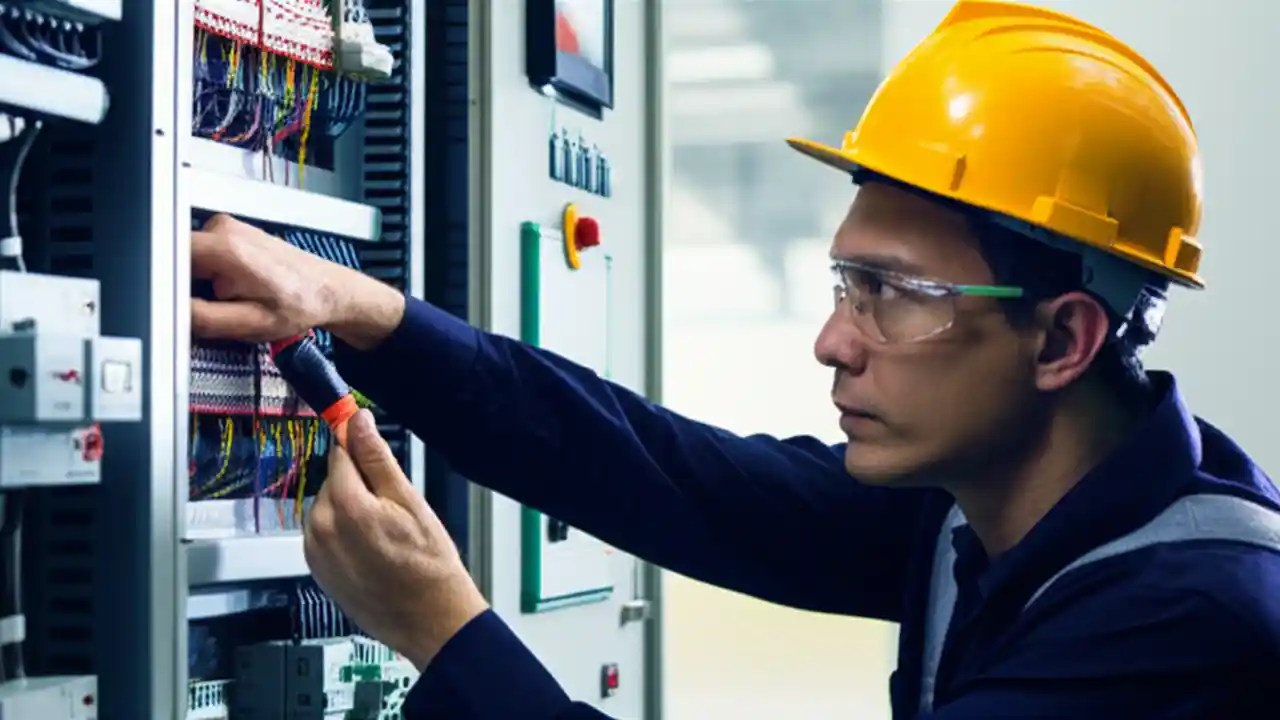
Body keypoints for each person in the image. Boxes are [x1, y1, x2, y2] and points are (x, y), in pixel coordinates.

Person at [190, 2, 1280, 718]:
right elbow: (667, 474)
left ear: (1060, 340)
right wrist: (361, 311)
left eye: (893, 296)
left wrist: (441, 628)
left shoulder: (1188, 620)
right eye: (844, 285)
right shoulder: (987, 506)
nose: (832, 342)